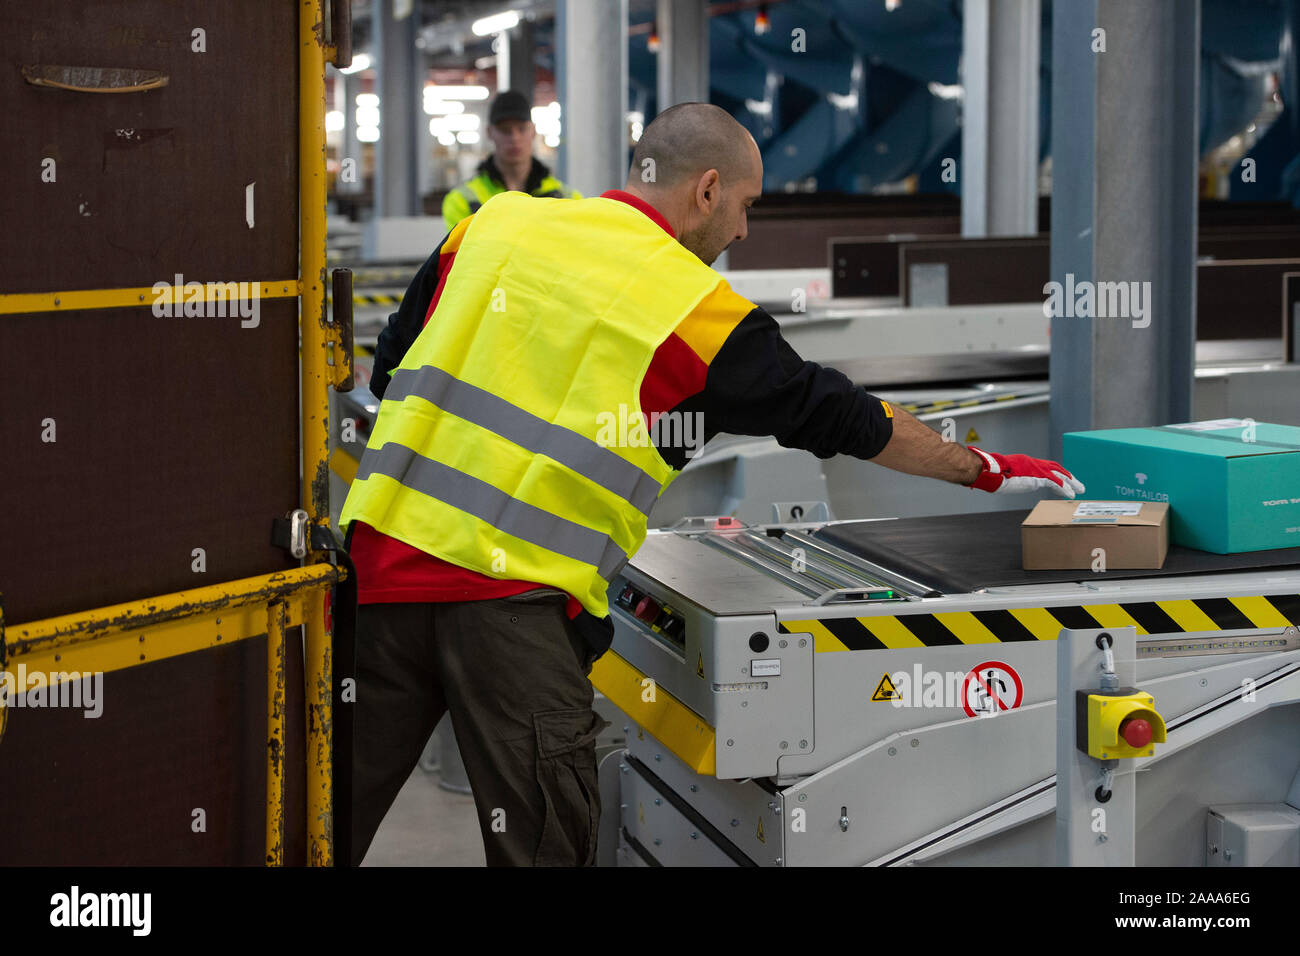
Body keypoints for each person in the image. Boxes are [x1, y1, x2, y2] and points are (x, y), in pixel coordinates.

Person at [341, 102, 1084, 867]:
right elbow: (840, 415)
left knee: (317, 821)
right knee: (546, 850)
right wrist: (984, 467)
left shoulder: (492, 225)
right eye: (745, 207)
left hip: (373, 578)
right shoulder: (693, 310)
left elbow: (394, 361)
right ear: (705, 190)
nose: (742, 233)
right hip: (512, 609)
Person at [440, 89, 580, 233]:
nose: (515, 138)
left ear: (533, 131)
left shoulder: (568, 199)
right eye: (505, 130)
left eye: (522, 129)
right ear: (489, 132)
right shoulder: (461, 201)